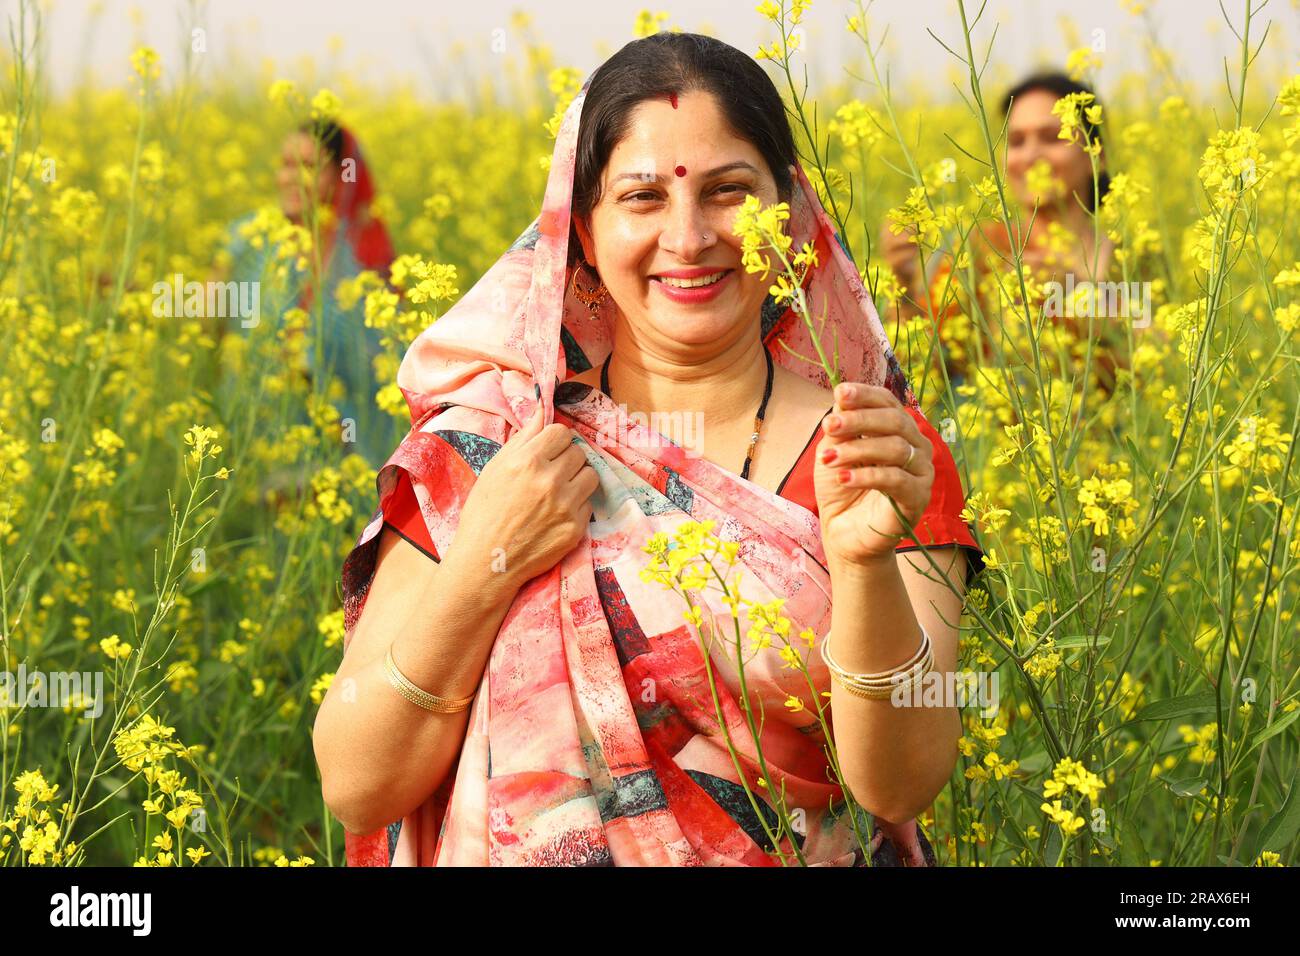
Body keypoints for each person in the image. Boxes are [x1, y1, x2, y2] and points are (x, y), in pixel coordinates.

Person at [314, 32, 986, 868]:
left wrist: (863, 564)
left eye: (729, 191)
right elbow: (354, 781)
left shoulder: (876, 451)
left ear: (795, 217)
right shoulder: (494, 446)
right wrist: (486, 560)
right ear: (582, 233)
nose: (689, 236)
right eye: (641, 198)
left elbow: (901, 789)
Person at [881, 71, 1127, 392]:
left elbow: (1159, 372)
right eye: (1017, 141)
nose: (1031, 156)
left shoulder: (1132, 259)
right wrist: (904, 284)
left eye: (1052, 138)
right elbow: (920, 371)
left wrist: (1079, 301)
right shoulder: (979, 248)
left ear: (1097, 153)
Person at [215, 120, 397, 473]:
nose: (290, 178)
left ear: (343, 177)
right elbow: (210, 314)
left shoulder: (361, 260)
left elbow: (381, 366)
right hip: (246, 447)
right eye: (285, 164)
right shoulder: (246, 240)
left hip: (336, 459)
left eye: (309, 167)